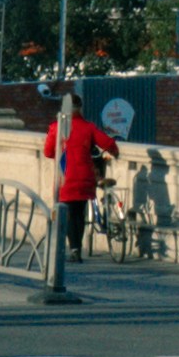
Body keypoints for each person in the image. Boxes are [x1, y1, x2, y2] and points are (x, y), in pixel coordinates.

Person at [45, 87, 117, 282]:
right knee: (79, 213)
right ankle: (78, 248)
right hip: (85, 176)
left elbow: (48, 152)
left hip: (65, 177)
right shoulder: (88, 127)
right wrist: (115, 151)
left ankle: (74, 249)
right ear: (80, 108)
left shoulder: (56, 128)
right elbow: (108, 143)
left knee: (67, 215)